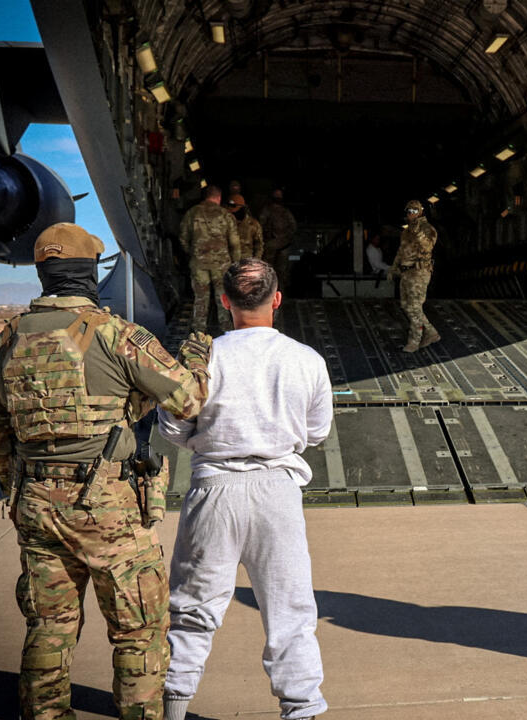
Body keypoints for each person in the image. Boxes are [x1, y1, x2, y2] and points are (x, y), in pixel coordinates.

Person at [0, 222, 212, 720]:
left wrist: (20, 491)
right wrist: (198, 358)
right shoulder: (117, 334)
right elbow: (189, 400)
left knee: (48, 625)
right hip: (109, 509)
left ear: (44, 273)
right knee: (139, 629)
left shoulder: (2, 344)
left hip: (35, 503)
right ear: (87, 272)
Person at [159, 258, 332, 720]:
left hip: (213, 490)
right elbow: (316, 433)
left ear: (224, 302)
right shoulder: (306, 360)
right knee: (291, 614)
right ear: (277, 300)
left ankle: (173, 708)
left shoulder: (203, 359)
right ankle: (301, 709)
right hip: (278, 493)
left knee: (192, 611)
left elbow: (174, 430)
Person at [181, 185, 241, 333]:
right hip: (221, 265)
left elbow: (183, 238)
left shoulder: (192, 213)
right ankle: (226, 330)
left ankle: (198, 333)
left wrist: (193, 254)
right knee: (223, 298)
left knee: (201, 298)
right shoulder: (225, 215)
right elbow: (234, 243)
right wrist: (236, 264)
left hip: (199, 264)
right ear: (219, 198)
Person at [390, 199, 439, 352]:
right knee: (406, 306)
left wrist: (418, 231)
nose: (411, 214)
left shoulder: (427, 229)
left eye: (414, 211)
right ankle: (431, 332)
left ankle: (414, 340)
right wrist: (393, 268)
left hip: (419, 272)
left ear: (420, 212)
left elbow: (427, 246)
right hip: (406, 272)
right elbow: (401, 250)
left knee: (414, 307)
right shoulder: (406, 231)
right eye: (409, 211)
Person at [260, 188, 298, 294]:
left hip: (282, 246)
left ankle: (280, 293)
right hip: (271, 245)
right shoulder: (267, 210)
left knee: (281, 273)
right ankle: (268, 293)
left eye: (279, 196)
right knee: (268, 271)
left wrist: (286, 239)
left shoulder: (285, 212)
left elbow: (293, 227)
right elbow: (261, 225)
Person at [228, 193, 264, 261]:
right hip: (229, 262)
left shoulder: (253, 224)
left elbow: (259, 246)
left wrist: (255, 262)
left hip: (246, 262)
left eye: (235, 209)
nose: (232, 212)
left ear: (242, 208)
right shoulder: (226, 222)